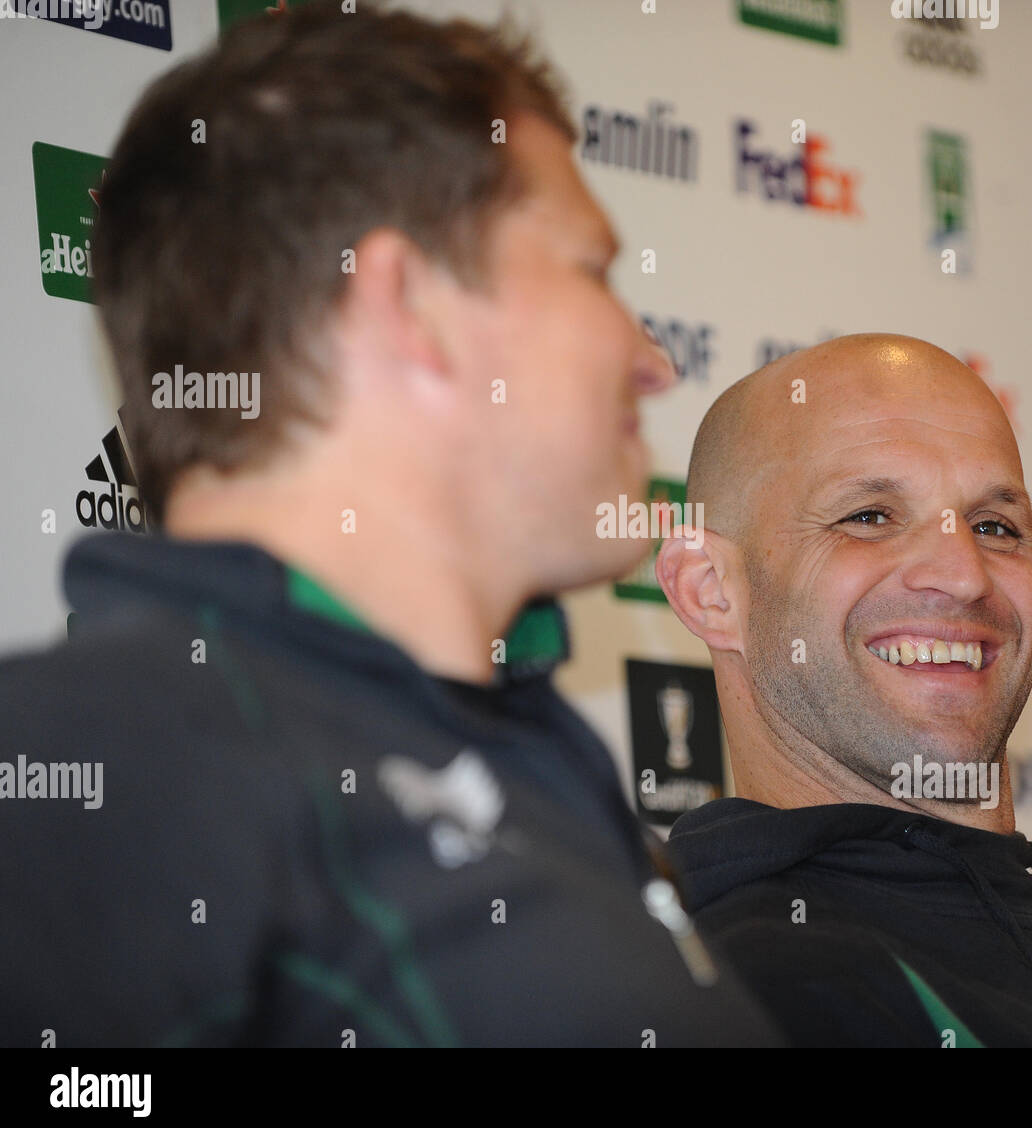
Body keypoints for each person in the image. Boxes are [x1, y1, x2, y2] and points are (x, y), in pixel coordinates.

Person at [0, 2, 782, 1047]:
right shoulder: (92, 754)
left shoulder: (537, 755)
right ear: (407, 304)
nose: (653, 358)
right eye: (592, 270)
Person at [655, 332, 1032, 1047]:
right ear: (711, 590)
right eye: (868, 516)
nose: (965, 574)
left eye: (995, 526)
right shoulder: (714, 994)